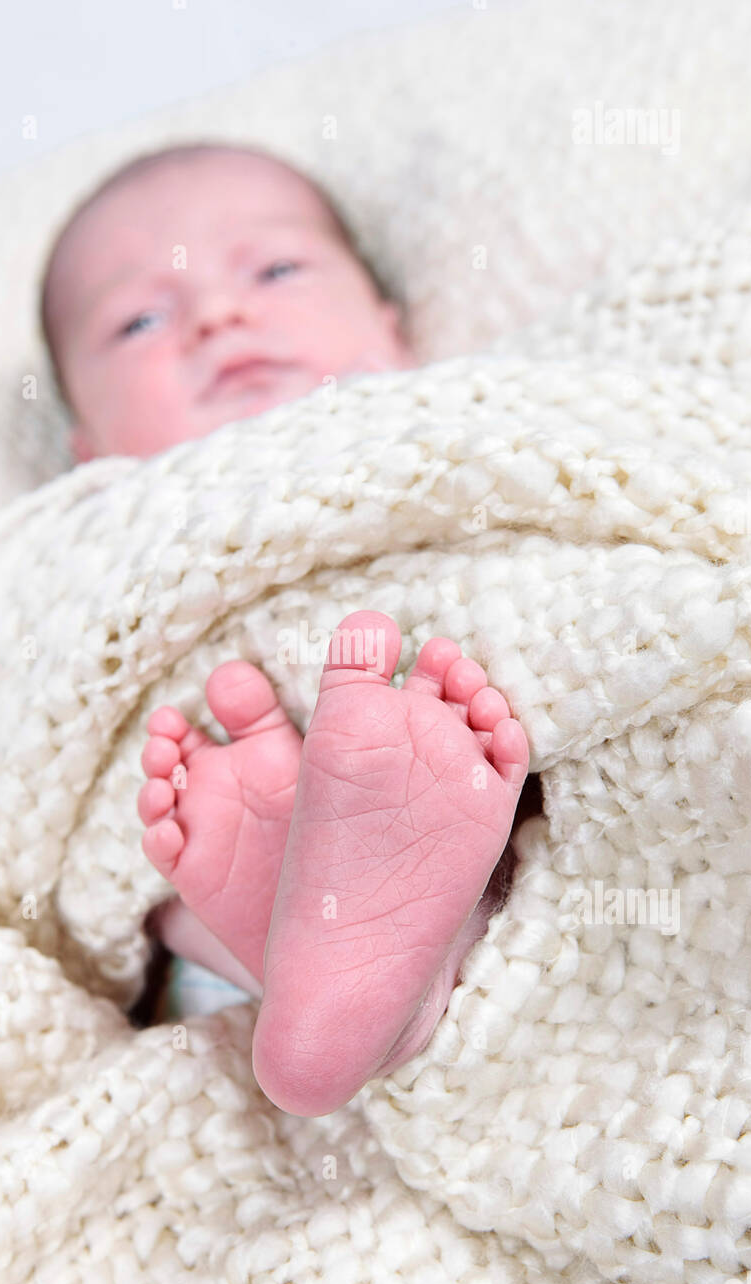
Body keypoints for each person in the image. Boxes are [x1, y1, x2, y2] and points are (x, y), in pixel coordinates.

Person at [38, 141, 533, 1116]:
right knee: (147, 807)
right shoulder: (88, 534)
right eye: (138, 320)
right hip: (216, 926)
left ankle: (354, 948)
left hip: (451, 781)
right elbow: (13, 729)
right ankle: (312, 940)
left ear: (390, 330)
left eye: (275, 269)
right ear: (86, 450)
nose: (219, 315)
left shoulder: (448, 418)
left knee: (505, 718)